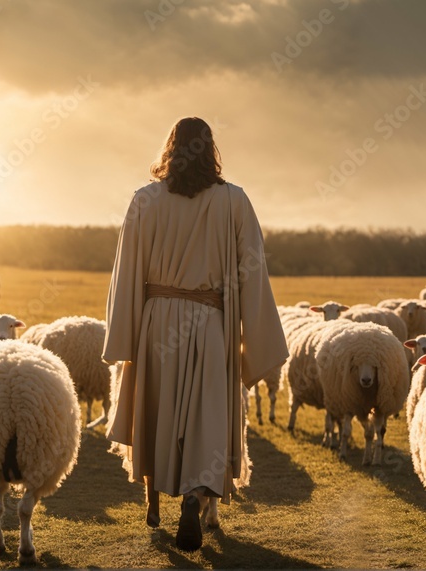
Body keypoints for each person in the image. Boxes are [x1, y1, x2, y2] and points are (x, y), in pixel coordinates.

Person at [102, 117, 288, 551]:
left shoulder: (144, 200)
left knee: (159, 407)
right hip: (209, 321)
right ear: (211, 151)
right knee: (205, 413)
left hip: (157, 322)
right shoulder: (235, 201)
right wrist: (253, 339)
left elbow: (126, 271)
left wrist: (124, 337)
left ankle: (155, 495)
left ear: (170, 149)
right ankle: (193, 494)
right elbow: (252, 272)